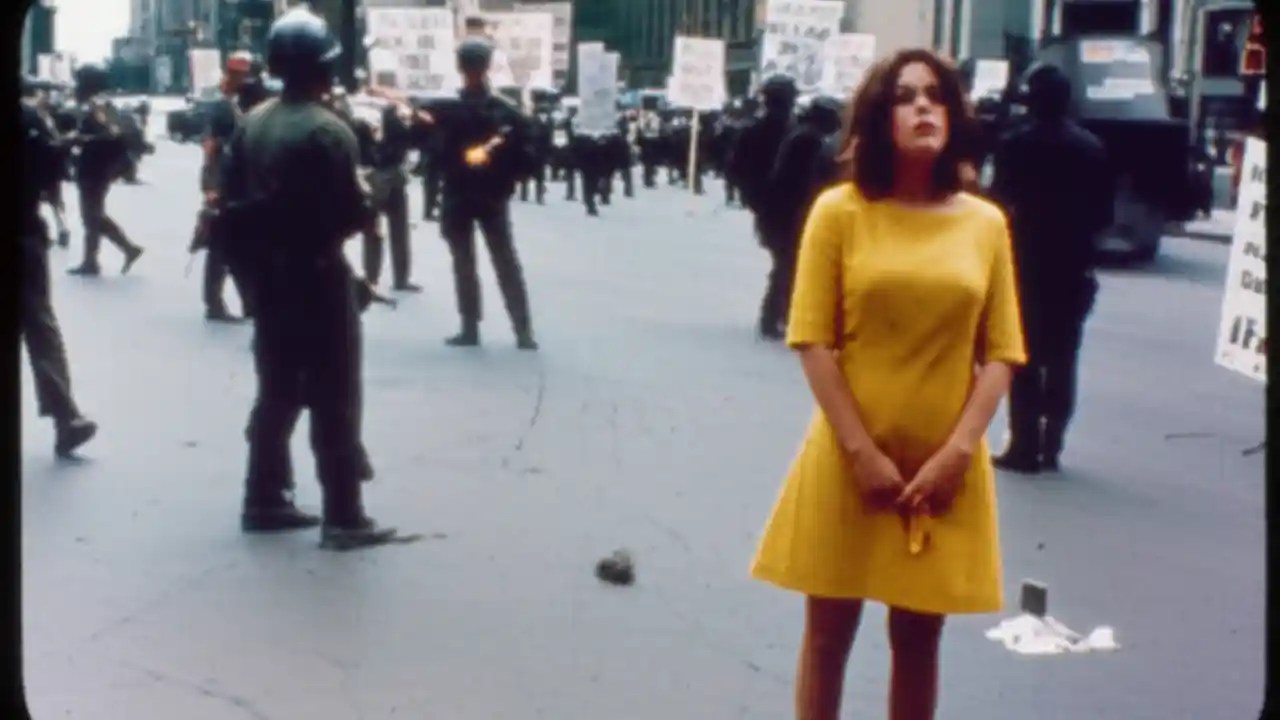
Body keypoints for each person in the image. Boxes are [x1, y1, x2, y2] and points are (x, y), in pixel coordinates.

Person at [749, 49, 1027, 720]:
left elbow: (1002, 352)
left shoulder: (985, 224)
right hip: (849, 457)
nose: (924, 107)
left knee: (919, 638)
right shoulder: (839, 212)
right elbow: (811, 338)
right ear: (880, 117)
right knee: (827, 638)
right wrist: (861, 453)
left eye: (936, 95)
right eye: (905, 97)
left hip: (943, 466)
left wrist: (959, 452)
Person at [219, 6, 402, 550]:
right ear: (324, 67)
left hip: (266, 275)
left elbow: (230, 199)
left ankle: (264, 498)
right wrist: (370, 199)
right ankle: (344, 514)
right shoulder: (328, 130)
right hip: (317, 274)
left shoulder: (254, 121)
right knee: (334, 392)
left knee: (276, 390)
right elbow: (349, 213)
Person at [989, 64, 1112, 473]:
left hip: (1025, 261)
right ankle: (1053, 442)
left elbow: (998, 200)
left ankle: (1024, 443)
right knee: (1063, 355)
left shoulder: (1015, 144)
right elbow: (1104, 213)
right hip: (1073, 263)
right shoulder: (1091, 147)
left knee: (1022, 354)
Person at [420, 38, 538, 350]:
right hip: (489, 195)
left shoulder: (447, 109)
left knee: (468, 263)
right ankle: (522, 330)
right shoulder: (505, 111)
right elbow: (528, 154)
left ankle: (472, 327)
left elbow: (431, 151)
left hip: (462, 193)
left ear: (460, 66)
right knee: (503, 262)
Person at [21, 93, 99, 458]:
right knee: (40, 325)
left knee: (40, 324)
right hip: (23, 230)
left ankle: (67, 416)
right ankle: (66, 416)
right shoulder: (28, 116)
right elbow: (53, 168)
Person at [758, 95, 844, 341]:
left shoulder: (803, 135)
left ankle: (778, 315)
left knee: (789, 266)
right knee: (789, 266)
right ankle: (775, 316)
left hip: (784, 212)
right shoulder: (808, 140)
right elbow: (802, 182)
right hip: (789, 214)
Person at [727, 75, 800, 338]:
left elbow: (734, 169)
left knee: (789, 261)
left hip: (783, 206)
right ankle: (775, 315)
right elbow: (736, 169)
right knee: (789, 260)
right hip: (779, 207)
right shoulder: (785, 132)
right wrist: (756, 196)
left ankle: (780, 313)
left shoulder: (786, 131)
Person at [66, 63, 145, 277]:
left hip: (96, 167)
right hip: (95, 166)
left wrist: (82, 139)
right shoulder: (97, 104)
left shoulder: (99, 105)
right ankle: (106, 256)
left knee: (91, 215)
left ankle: (104, 257)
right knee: (92, 216)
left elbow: (113, 133)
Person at [197, 51, 257, 322]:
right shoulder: (221, 106)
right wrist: (210, 186)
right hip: (224, 181)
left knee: (237, 245)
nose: (242, 79)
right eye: (237, 74)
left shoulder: (245, 103)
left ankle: (247, 302)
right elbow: (210, 147)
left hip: (243, 181)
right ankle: (215, 303)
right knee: (222, 245)